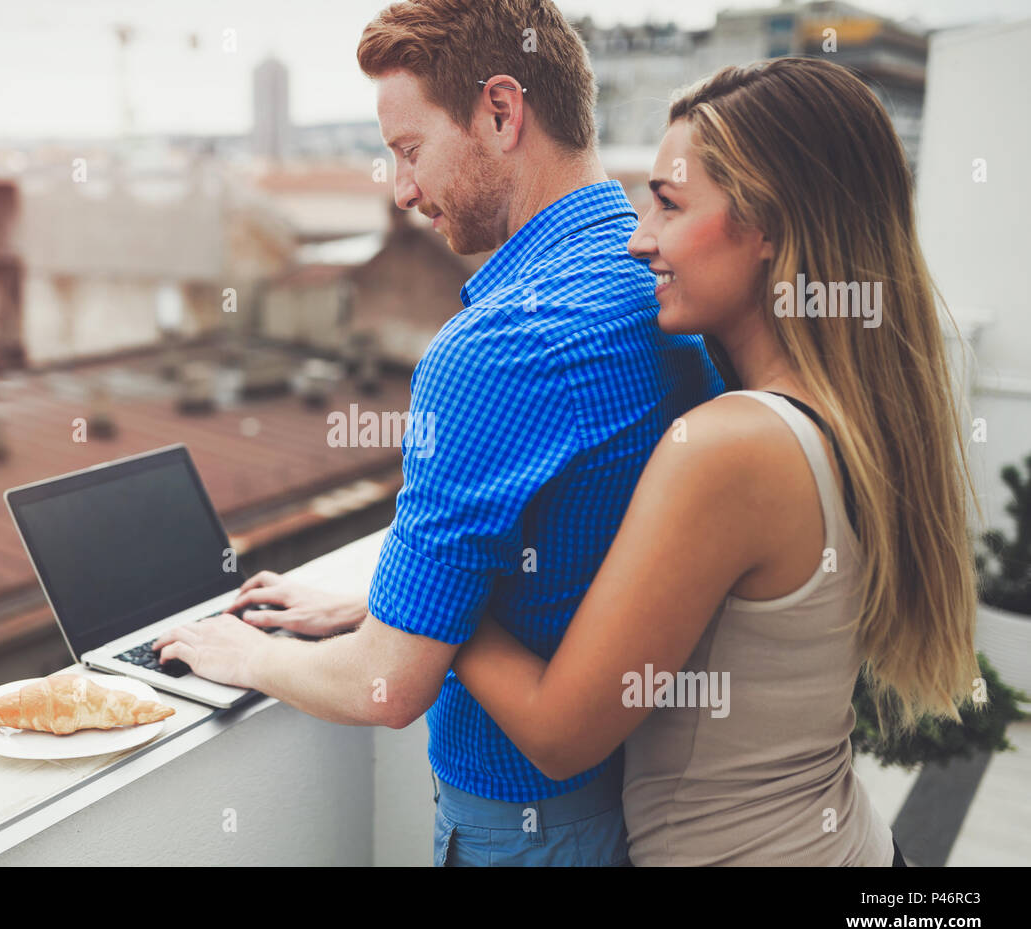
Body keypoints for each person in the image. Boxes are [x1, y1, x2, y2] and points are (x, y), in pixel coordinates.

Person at [153, 0, 722, 866]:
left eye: (409, 150)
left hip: (524, 826)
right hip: (631, 793)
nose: (401, 189)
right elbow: (566, 545)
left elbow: (386, 687)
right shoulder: (653, 272)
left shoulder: (497, 348)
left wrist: (242, 653)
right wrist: (398, 608)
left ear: (501, 112)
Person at [448, 57, 983, 865]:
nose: (639, 240)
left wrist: (428, 597)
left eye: (668, 205)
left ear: (768, 224)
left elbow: (559, 734)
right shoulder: (848, 410)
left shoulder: (735, 448)